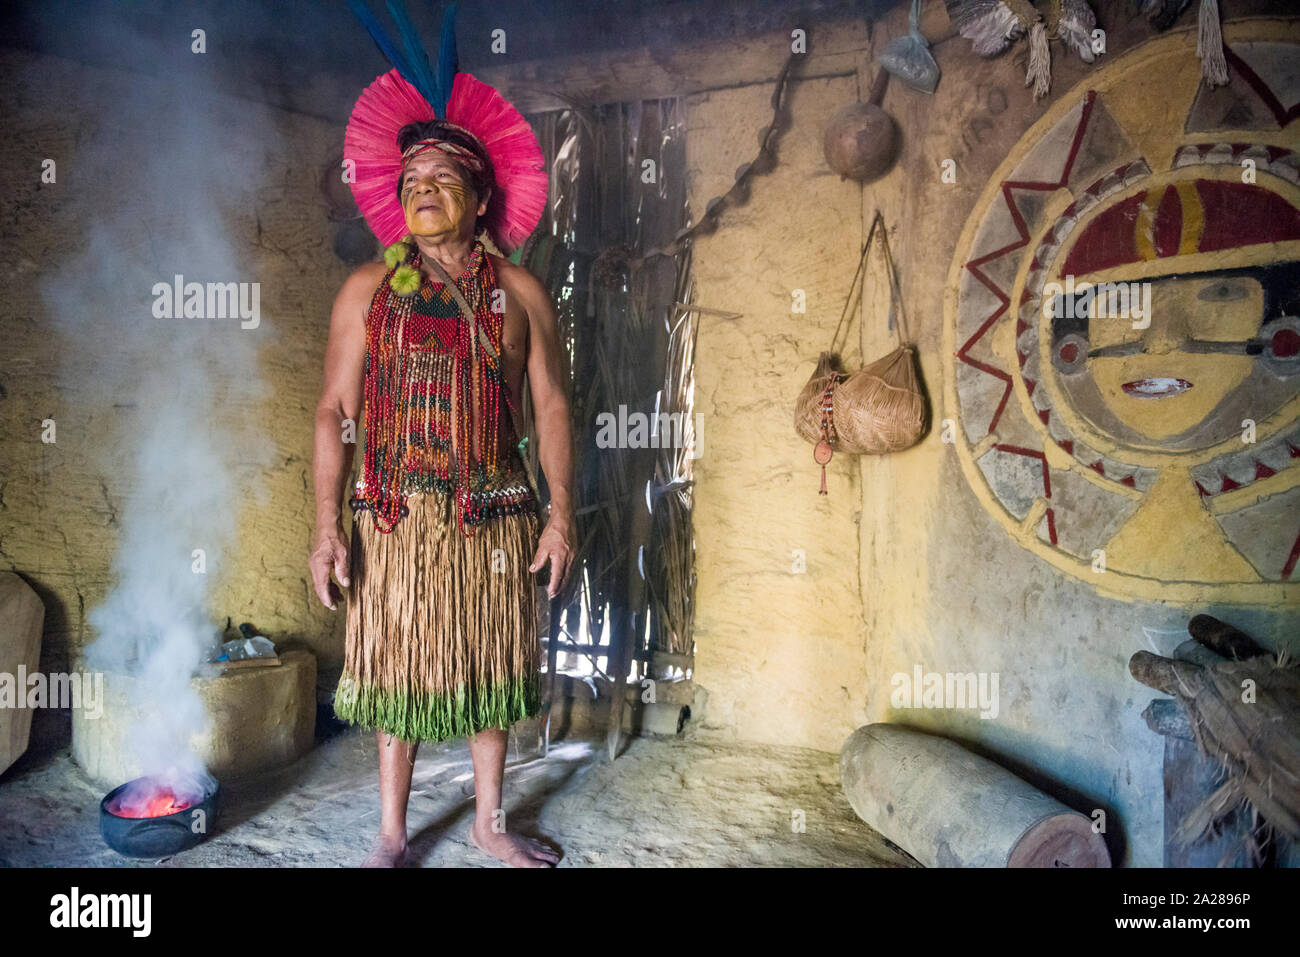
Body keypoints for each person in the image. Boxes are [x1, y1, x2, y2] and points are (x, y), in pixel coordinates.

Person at [309, 15, 574, 866]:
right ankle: (391, 834)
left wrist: (559, 516)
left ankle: (489, 822)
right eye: (412, 176)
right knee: (397, 677)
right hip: (392, 519)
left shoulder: (523, 294)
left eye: (443, 175)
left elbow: (555, 409)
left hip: (492, 515)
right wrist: (324, 527)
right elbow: (331, 413)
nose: (423, 187)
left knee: (489, 665)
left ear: (482, 196)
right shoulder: (365, 291)